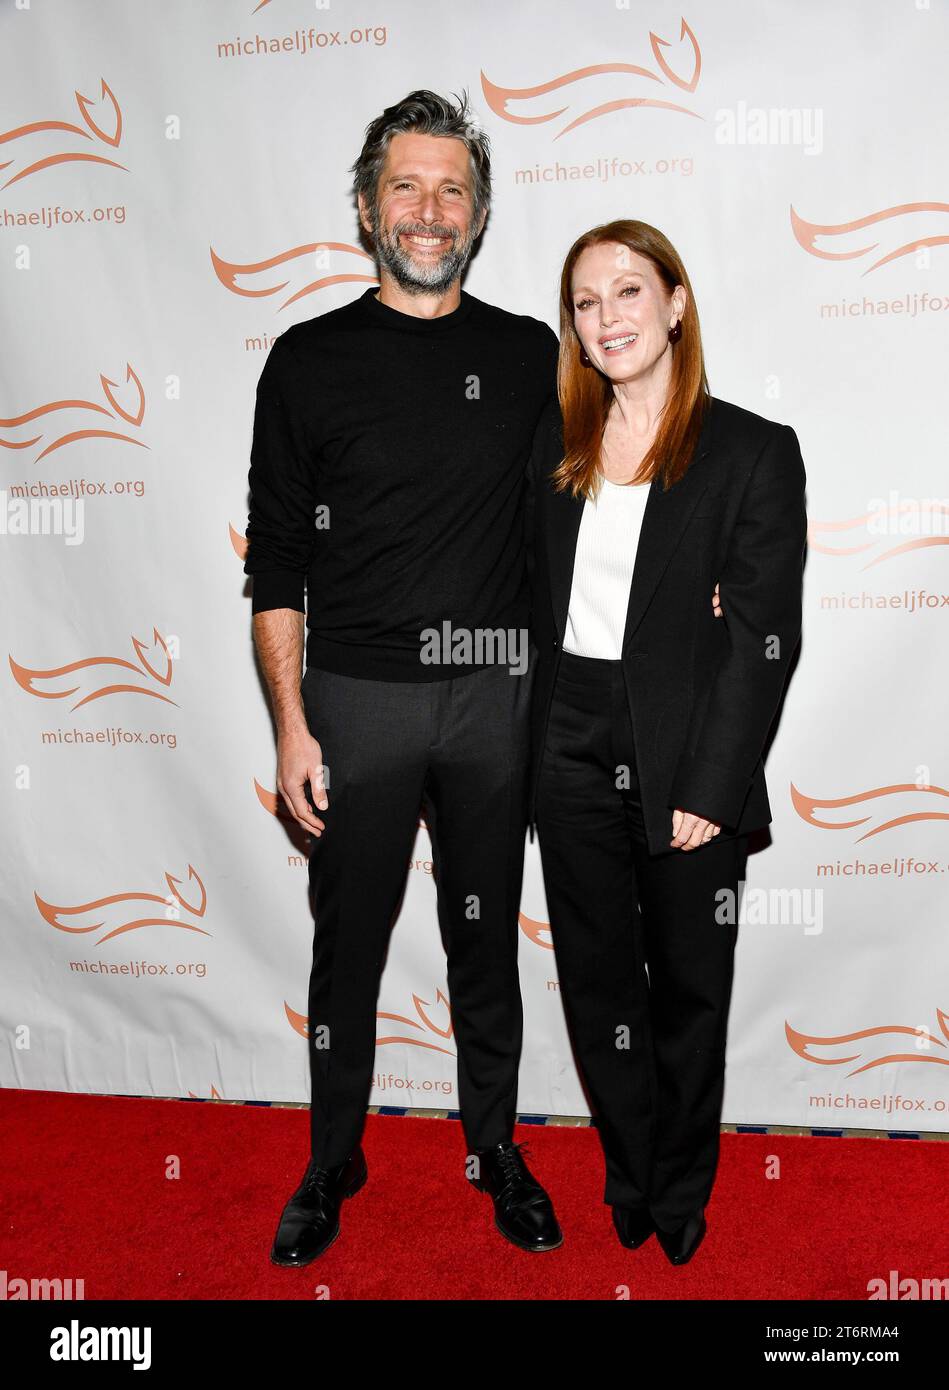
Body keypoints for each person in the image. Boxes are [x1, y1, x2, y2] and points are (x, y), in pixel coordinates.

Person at [243, 90, 563, 1265]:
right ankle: (332, 1161)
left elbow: (584, 516)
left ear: (478, 216)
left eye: (452, 191)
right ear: (369, 206)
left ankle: (497, 1151)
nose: (429, 212)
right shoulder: (307, 361)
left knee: (485, 946)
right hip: (357, 702)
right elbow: (276, 557)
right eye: (406, 188)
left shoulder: (529, 353)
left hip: (493, 699)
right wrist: (290, 725)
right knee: (349, 950)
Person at [527, 219, 807, 1265]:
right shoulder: (550, 447)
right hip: (564, 737)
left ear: (675, 304)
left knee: (689, 982)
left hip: (690, 742)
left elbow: (762, 646)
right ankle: (630, 1165)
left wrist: (712, 778)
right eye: (587, 303)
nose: (607, 318)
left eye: (628, 292)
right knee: (599, 977)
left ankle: (681, 1184)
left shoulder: (749, 451)